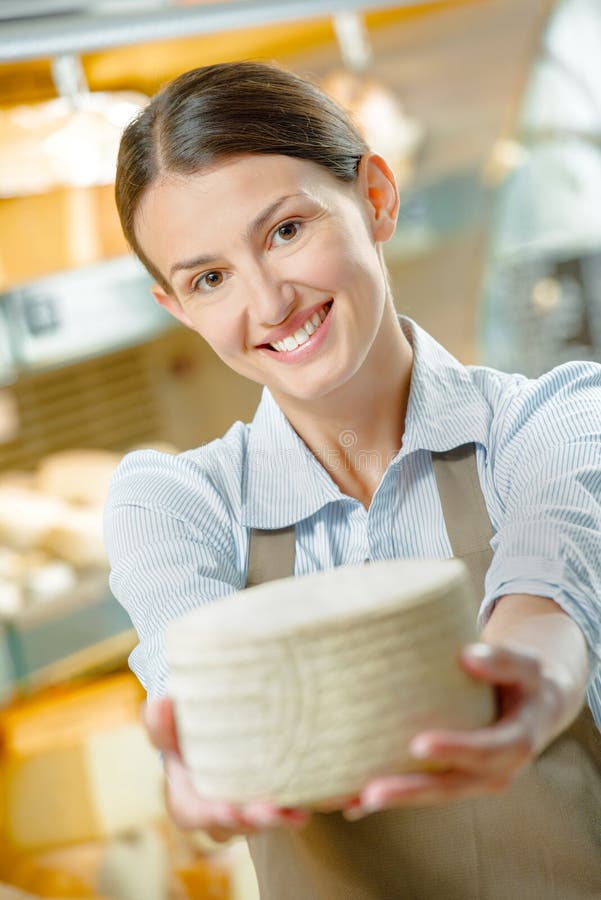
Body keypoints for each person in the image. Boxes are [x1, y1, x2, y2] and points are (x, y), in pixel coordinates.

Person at [105, 62, 601, 898]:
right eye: (209, 278)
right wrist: (200, 770)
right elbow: (197, 693)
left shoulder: (546, 422)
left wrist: (530, 684)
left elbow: (547, 598)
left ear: (374, 197)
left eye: (285, 231)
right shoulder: (177, 504)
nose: (269, 304)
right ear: (177, 307)